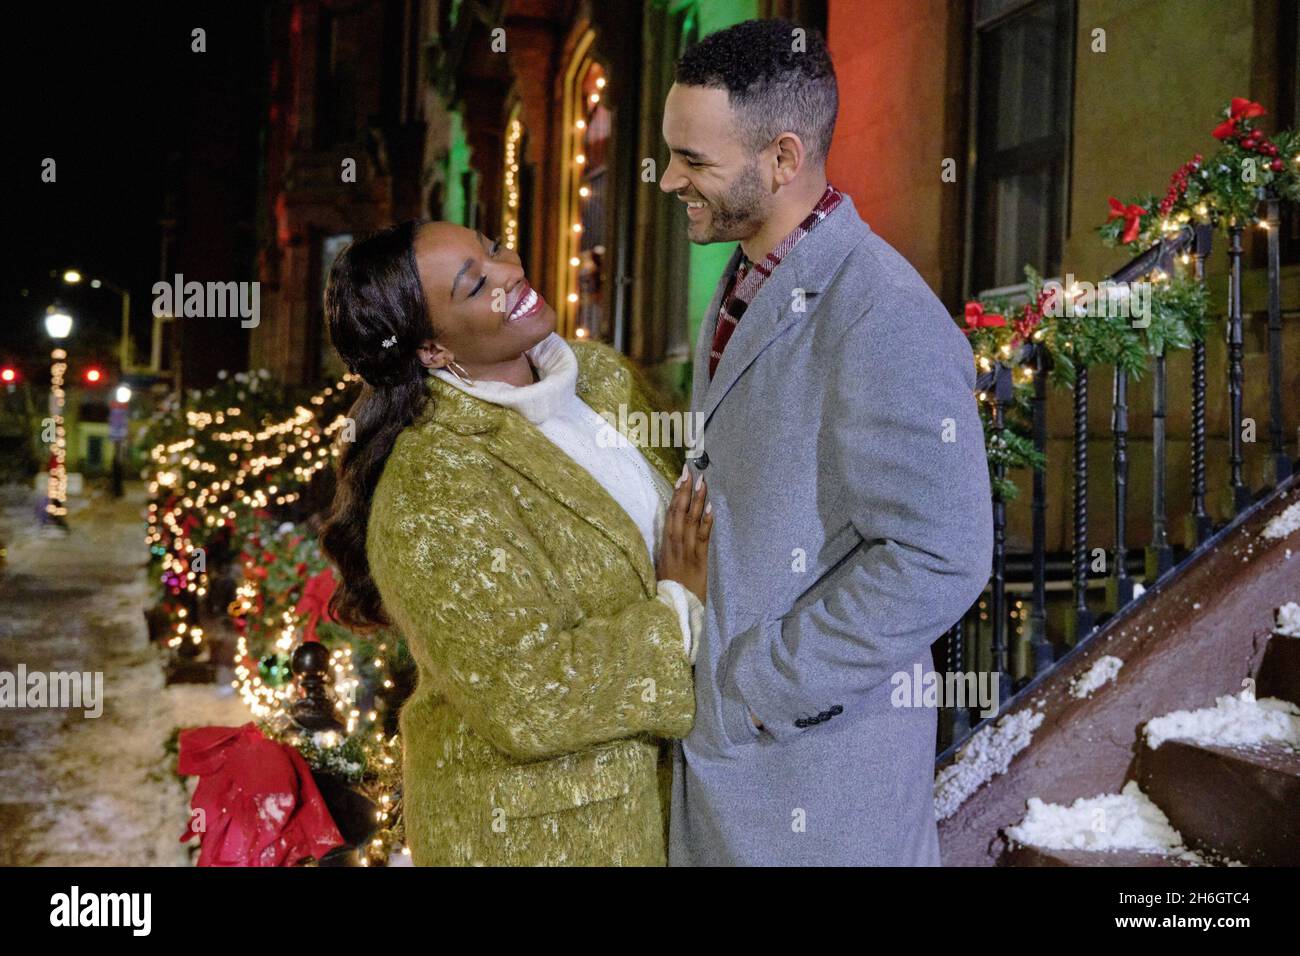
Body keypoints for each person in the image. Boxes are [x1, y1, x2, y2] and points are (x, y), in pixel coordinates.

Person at [659, 18, 993, 865]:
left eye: (695, 161)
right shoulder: (748, 271)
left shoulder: (883, 311)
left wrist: (759, 691)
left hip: (818, 795)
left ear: (782, 157)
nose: (668, 180)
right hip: (741, 779)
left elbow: (944, 554)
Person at [319, 219, 712, 865]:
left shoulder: (603, 379)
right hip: (539, 834)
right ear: (432, 351)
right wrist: (678, 609)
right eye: (476, 285)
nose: (510, 271)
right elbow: (524, 696)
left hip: (677, 807)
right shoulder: (429, 488)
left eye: (493, 247)